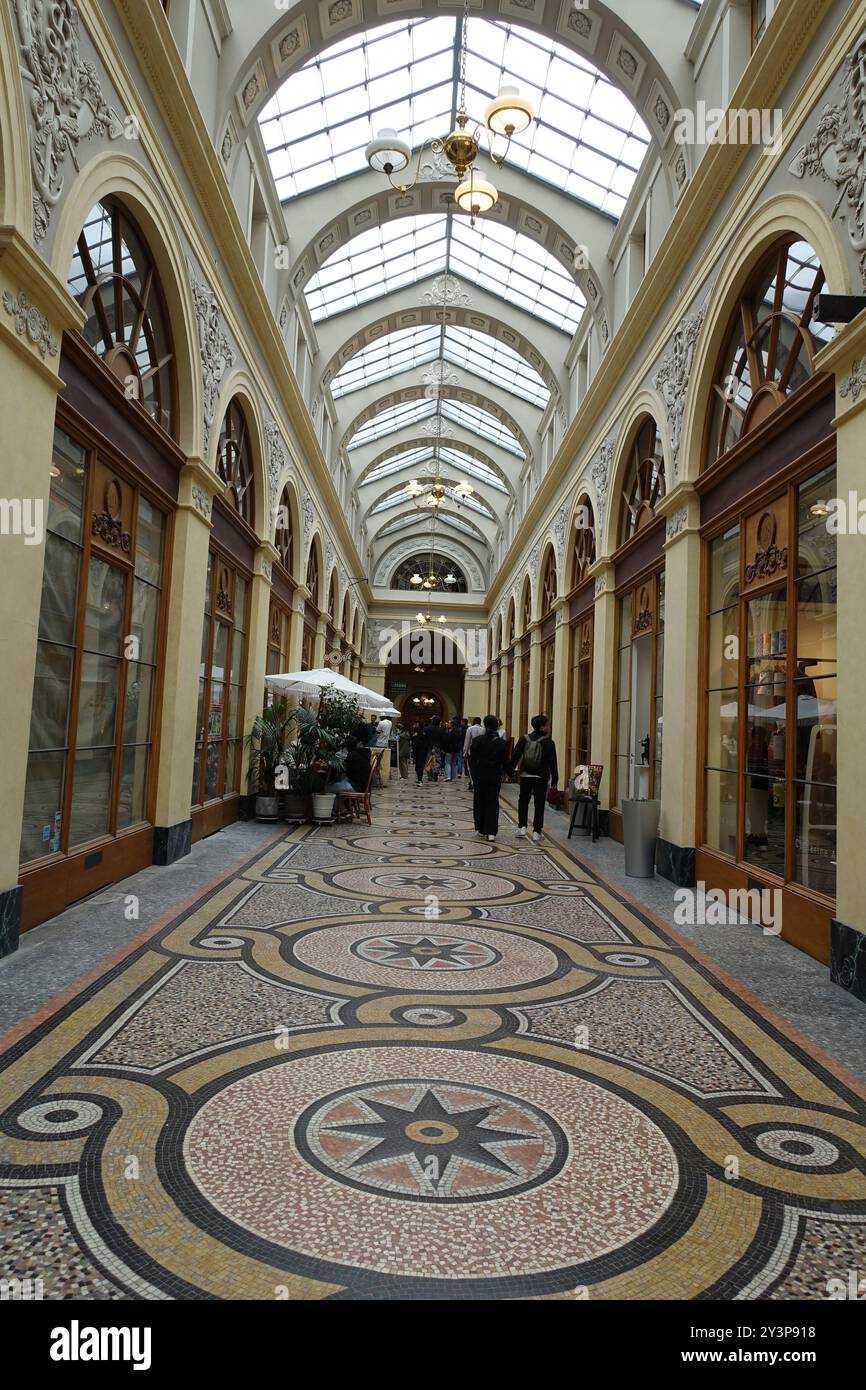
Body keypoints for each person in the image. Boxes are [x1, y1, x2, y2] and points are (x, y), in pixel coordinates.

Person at [508, 713, 559, 841]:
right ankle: (537, 832)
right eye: (548, 725)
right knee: (539, 803)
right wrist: (555, 780)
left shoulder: (524, 739)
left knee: (523, 801)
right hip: (541, 777)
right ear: (542, 727)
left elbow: (515, 756)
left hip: (525, 775)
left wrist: (509, 771)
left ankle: (522, 828)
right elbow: (553, 763)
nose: (549, 728)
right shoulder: (549, 742)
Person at [469, 715, 510, 839]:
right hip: (494, 775)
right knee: (492, 802)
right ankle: (491, 831)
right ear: (497, 726)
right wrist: (510, 772)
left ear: (485, 725)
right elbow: (505, 761)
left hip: (480, 774)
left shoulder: (477, 741)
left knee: (479, 800)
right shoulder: (502, 743)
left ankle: (480, 828)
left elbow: (473, 758)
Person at [463, 716, 483, 789]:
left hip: (471, 751)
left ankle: (472, 782)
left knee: (471, 768)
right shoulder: (483, 729)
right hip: (480, 752)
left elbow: (467, 741)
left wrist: (465, 753)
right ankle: (476, 781)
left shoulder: (470, 729)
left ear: (474, 721)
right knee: (478, 768)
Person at [375, 712, 393, 785]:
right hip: (386, 743)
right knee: (385, 759)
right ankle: (387, 774)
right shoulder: (390, 722)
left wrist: (376, 726)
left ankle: (379, 775)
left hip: (379, 742)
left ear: (382, 717)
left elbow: (377, 731)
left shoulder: (381, 722)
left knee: (379, 760)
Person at [424, 716, 444, 781]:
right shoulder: (441, 730)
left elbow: (425, 738)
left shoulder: (427, 728)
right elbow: (442, 739)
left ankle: (430, 776)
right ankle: (436, 771)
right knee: (437, 761)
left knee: (429, 761)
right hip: (438, 747)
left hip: (429, 747)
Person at [443, 717, 461, 782]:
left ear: (452, 725)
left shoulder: (450, 732)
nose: (448, 724)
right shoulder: (458, 732)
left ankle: (448, 776)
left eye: (450, 723)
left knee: (447, 762)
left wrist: (445, 749)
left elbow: (447, 741)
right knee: (454, 763)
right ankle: (453, 777)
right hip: (456, 750)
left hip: (449, 750)